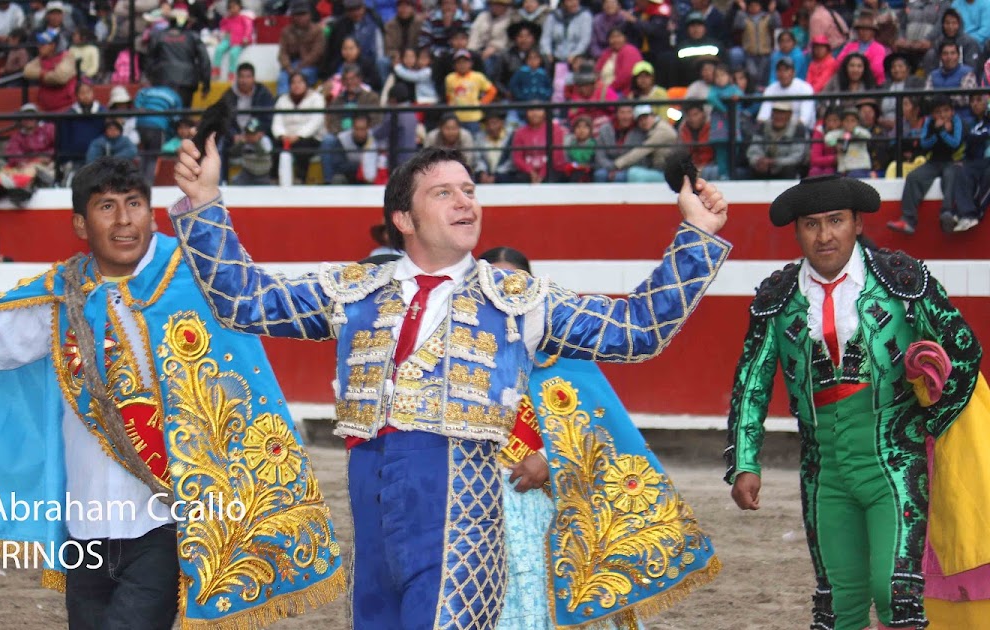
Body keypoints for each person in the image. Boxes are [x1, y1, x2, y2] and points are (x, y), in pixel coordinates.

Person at [167, 139, 731, 627]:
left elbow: (637, 330)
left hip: (462, 495)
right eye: (444, 193)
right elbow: (243, 300)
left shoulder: (518, 299)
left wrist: (697, 238)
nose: (466, 202)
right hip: (370, 491)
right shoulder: (354, 289)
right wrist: (205, 202)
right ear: (404, 220)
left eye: (470, 190)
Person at [0, 157, 344, 628]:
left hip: (164, 527)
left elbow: (251, 321)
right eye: (107, 206)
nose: (124, 220)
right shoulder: (61, 297)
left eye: (134, 204)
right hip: (85, 535)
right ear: (81, 224)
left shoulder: (197, 284)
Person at [725, 175, 983, 630]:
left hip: (894, 462)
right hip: (823, 469)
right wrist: (745, 462)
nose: (824, 235)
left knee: (895, 592)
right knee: (838, 602)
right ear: (798, 231)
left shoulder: (901, 280)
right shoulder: (777, 298)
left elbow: (964, 348)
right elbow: (752, 383)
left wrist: (932, 422)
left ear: (858, 224)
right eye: (811, 224)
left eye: (835, 221)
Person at [479, 246, 720, 630]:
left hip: (559, 501)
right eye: (495, 283)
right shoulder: (465, 353)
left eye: (515, 283)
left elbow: (599, 425)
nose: (506, 293)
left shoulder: (563, 348)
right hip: (480, 501)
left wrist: (549, 458)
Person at [888, 97, 978, 235]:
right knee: (913, 177)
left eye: (946, 110)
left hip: (952, 162)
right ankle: (908, 220)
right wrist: (938, 130)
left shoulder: (957, 121)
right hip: (933, 162)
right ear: (932, 114)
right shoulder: (929, 122)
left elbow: (955, 143)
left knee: (951, 175)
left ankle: (946, 212)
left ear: (952, 111)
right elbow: (925, 144)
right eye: (938, 112)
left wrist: (941, 131)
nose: (942, 115)